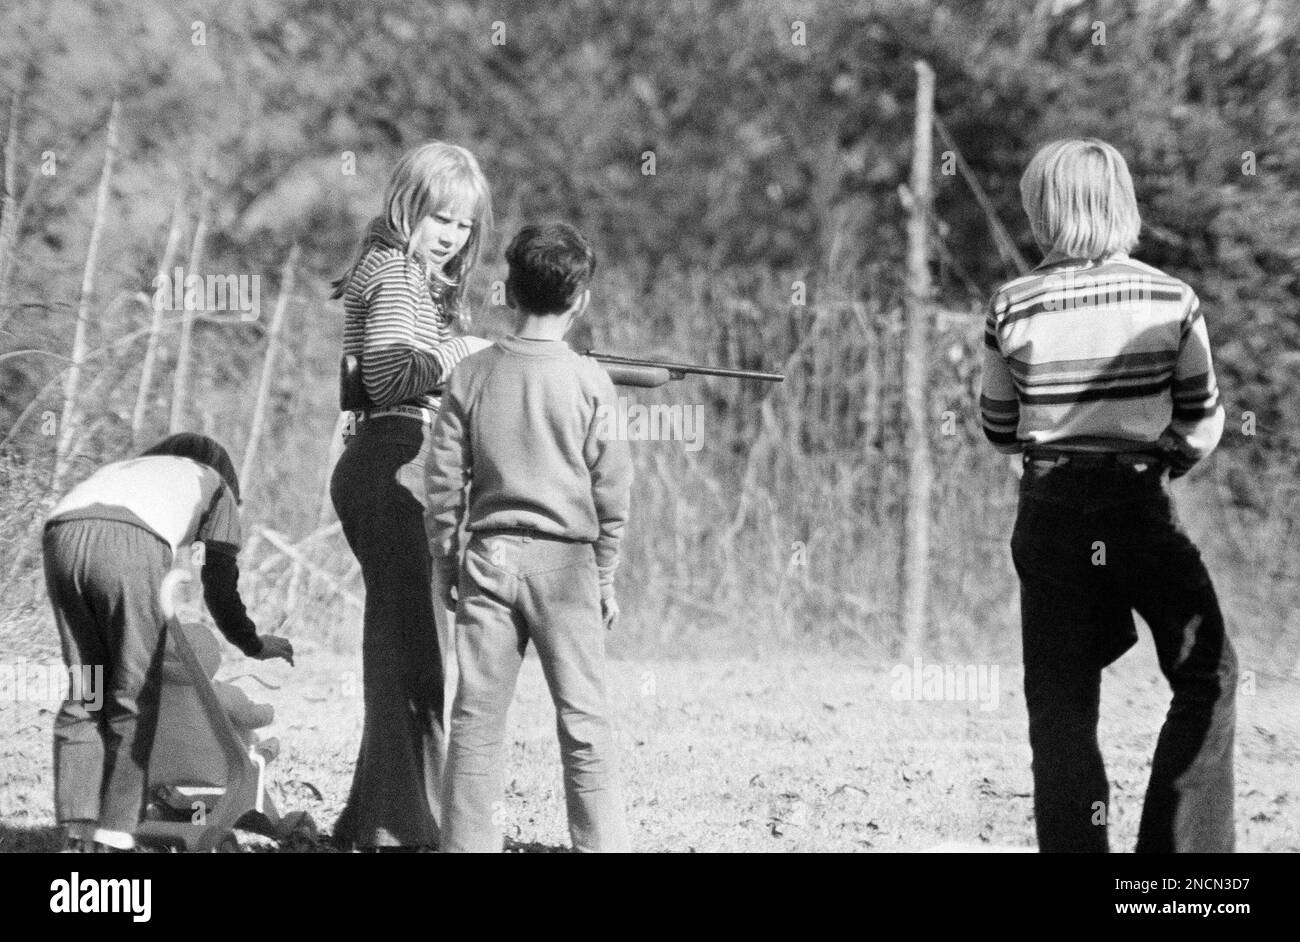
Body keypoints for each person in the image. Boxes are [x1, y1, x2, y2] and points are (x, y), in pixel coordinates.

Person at [980, 138, 1236, 852]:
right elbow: (1203, 418)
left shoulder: (1010, 304)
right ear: (1118, 204)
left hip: (1050, 504)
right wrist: (1158, 464)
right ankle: (1172, 869)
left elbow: (999, 428)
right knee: (1206, 674)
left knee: (1059, 702)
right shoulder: (1171, 298)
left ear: (1046, 213)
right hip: (1137, 500)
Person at [427, 222, 633, 853]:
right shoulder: (590, 381)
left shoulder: (472, 375)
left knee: (476, 719)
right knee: (584, 719)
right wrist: (604, 576)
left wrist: (447, 561)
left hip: (487, 558)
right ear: (582, 300)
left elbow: (441, 485)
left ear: (507, 293)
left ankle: (465, 845)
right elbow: (612, 491)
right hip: (565, 566)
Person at [328, 141, 493, 850]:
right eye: (440, 218)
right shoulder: (396, 274)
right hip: (395, 458)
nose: (452, 236)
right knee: (414, 658)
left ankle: (376, 819)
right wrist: (464, 353)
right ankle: (402, 827)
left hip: (387, 460)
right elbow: (390, 379)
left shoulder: (403, 274)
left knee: (400, 649)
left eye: (463, 224)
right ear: (408, 207)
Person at [43, 432, 293, 852]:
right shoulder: (216, 487)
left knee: (86, 690)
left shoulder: (131, 472)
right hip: (129, 543)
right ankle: (115, 834)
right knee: (134, 694)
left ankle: (76, 832)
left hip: (61, 533)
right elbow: (220, 588)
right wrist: (253, 644)